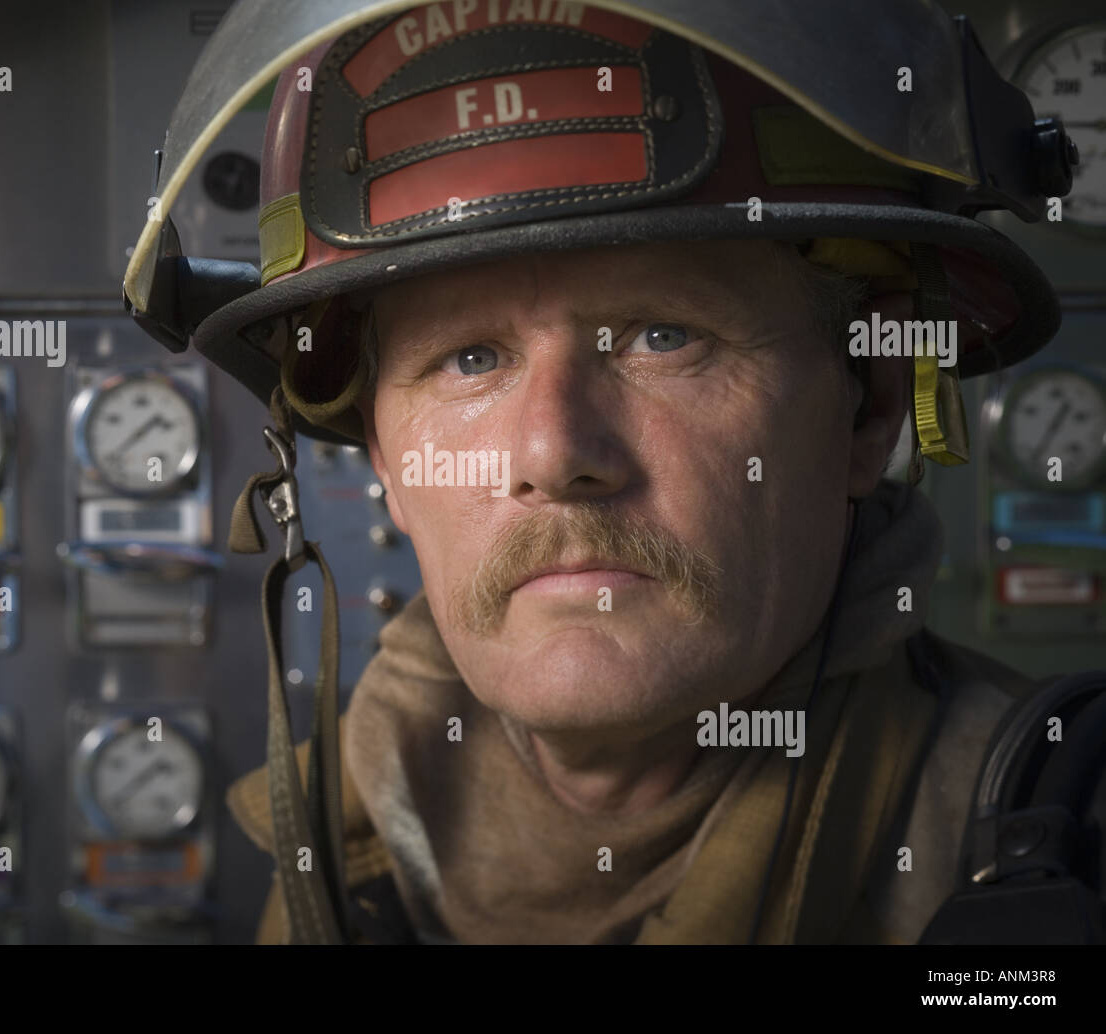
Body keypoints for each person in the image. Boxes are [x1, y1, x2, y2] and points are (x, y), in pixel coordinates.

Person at [122, 0, 1083, 943]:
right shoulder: (337, 857)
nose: (552, 454)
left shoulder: (1055, 844)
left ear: (866, 408)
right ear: (385, 458)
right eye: (470, 359)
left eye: (664, 337)